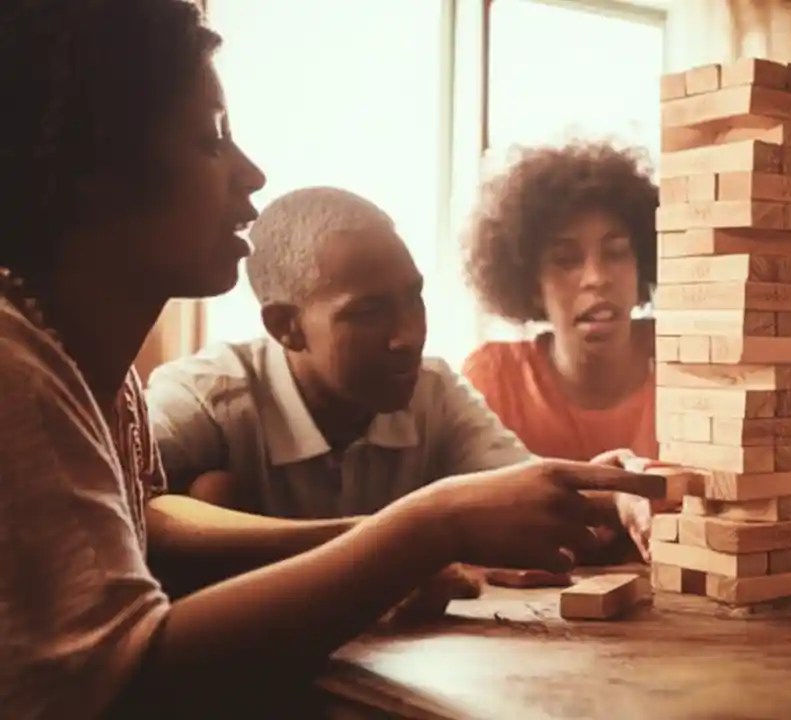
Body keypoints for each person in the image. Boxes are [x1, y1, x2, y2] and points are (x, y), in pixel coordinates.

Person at [0, 3, 656, 717]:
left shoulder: (99, 380)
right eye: (212, 138)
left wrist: (620, 486)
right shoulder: (21, 372)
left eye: (414, 301)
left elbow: (138, 537)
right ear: (95, 168)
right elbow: (130, 679)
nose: (251, 174)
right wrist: (422, 529)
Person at [146, 186, 531, 520]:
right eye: (367, 313)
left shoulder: (433, 392)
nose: (408, 336)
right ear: (286, 327)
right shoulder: (205, 397)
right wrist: (407, 539)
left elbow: (528, 498)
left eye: (414, 298)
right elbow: (121, 513)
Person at [460, 141, 659, 461]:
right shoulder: (495, 382)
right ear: (533, 285)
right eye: (566, 260)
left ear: (642, 266)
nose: (596, 277)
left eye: (616, 253)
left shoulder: (685, 361)